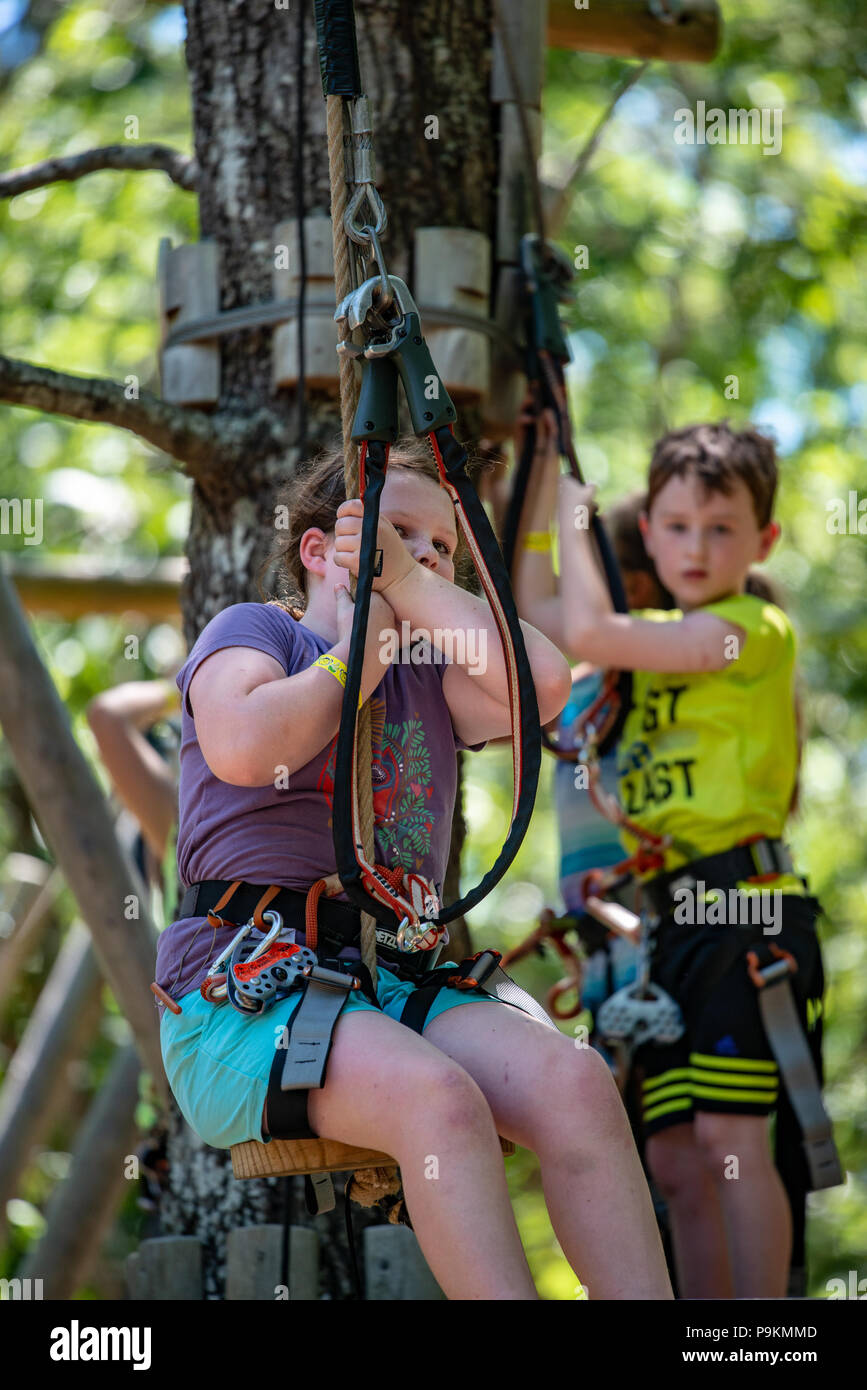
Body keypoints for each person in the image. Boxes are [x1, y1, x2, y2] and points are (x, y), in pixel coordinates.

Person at [153, 436, 673, 1301]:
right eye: (397, 537)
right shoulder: (256, 632)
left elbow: (542, 685)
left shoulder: (432, 676)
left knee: (574, 1081)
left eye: (439, 551)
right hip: (240, 990)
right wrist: (359, 660)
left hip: (387, 982)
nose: (420, 559)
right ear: (319, 551)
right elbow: (246, 746)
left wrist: (415, 588)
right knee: (441, 1099)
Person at [514, 417, 831, 1300]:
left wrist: (577, 528)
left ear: (762, 540)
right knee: (678, 1160)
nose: (695, 548)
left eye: (720, 528)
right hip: (666, 922)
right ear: (647, 532)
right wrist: (543, 490)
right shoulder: (648, 642)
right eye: (677, 527)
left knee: (733, 1142)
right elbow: (538, 616)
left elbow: (589, 625)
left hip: (743, 905)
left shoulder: (746, 632)